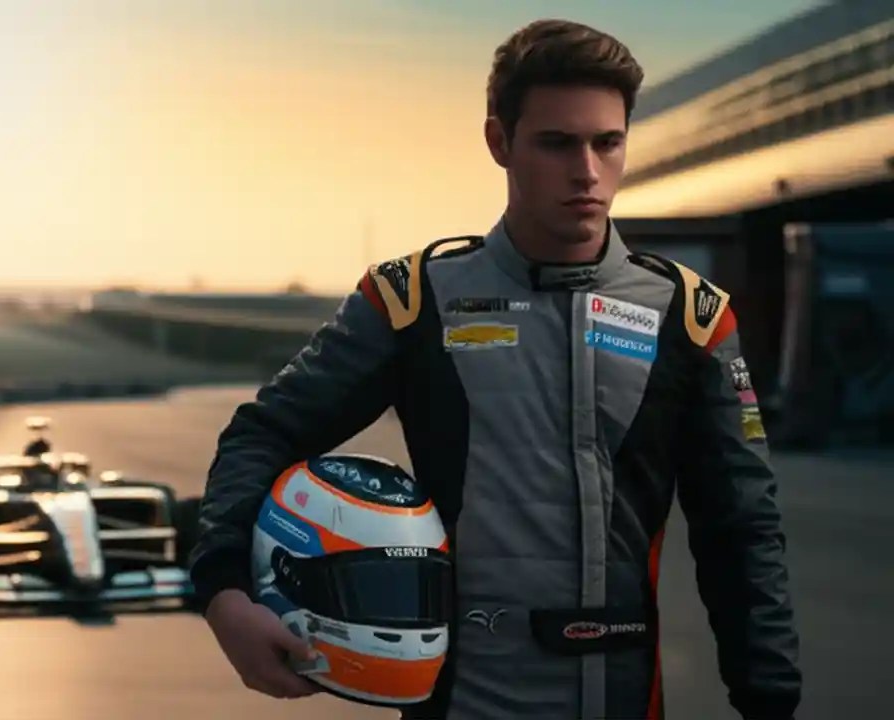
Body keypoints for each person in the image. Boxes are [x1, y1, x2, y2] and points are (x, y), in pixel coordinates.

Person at [188, 17, 802, 720]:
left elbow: (744, 531)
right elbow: (262, 435)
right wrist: (224, 594)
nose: (587, 172)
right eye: (557, 143)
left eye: (608, 143)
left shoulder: (691, 318)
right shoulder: (411, 300)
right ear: (499, 142)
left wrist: (771, 700)